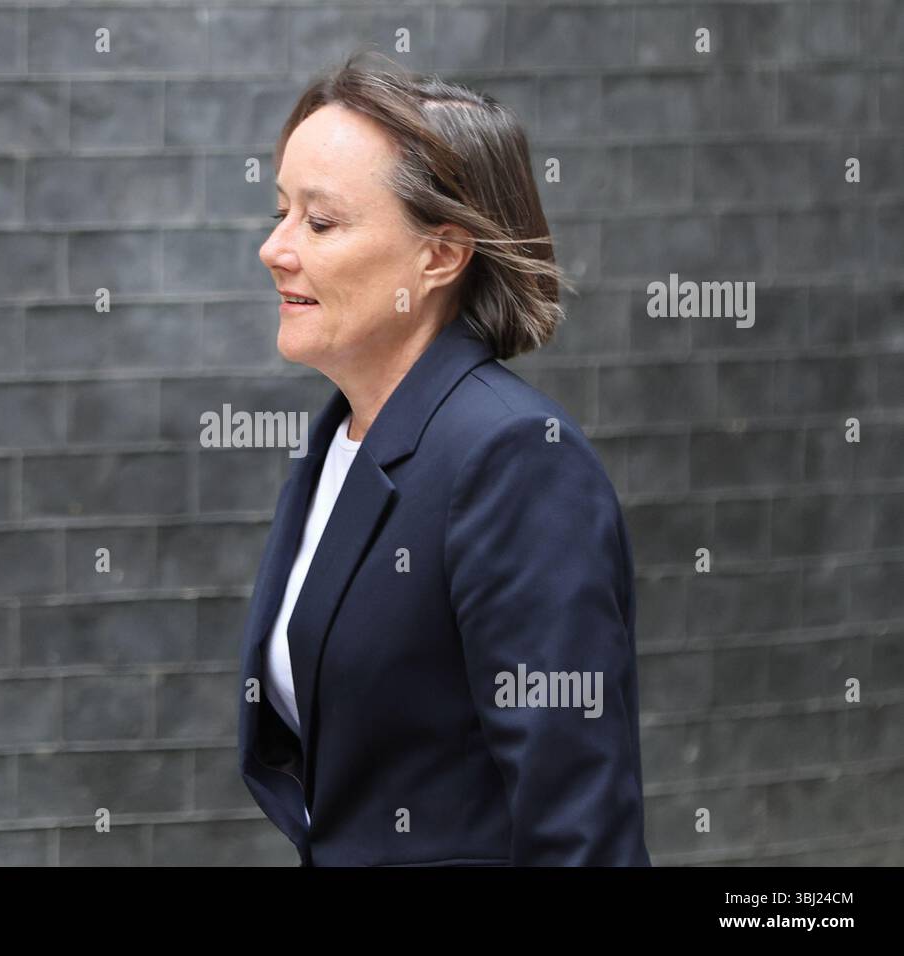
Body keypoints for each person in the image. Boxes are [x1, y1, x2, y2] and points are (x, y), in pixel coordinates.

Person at [236, 51, 652, 867]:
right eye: (280, 212)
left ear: (441, 256)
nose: (274, 249)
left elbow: (581, 823)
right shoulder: (341, 440)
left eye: (319, 223)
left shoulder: (514, 462)